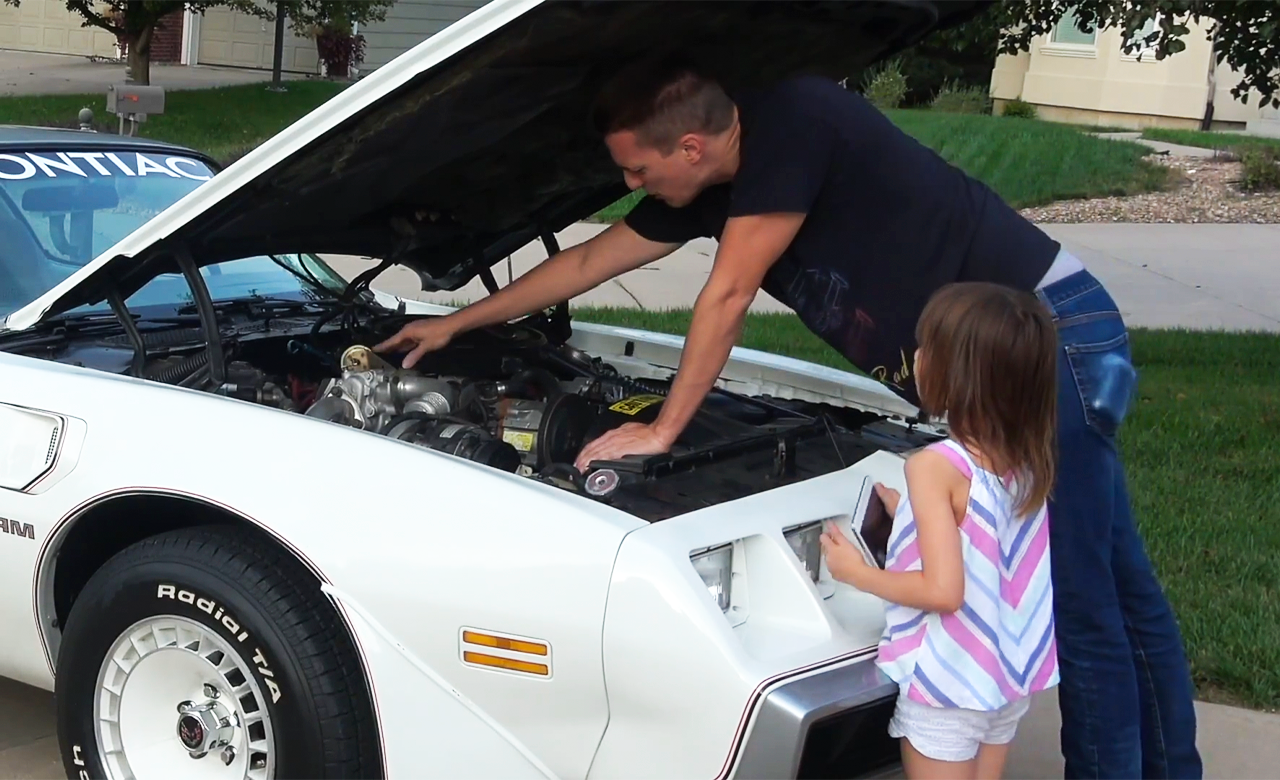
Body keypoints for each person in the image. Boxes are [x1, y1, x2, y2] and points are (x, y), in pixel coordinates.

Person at [374, 54, 1202, 778]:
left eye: (636, 170)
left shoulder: (795, 120)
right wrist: (456, 324)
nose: (630, 187)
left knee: (1089, 600)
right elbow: (594, 259)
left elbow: (728, 293)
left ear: (689, 147)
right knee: (1123, 594)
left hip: (1044, 337)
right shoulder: (716, 180)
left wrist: (663, 431)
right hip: (1017, 353)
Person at [819, 281, 1059, 780]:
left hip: (950, 686)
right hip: (1004, 682)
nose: (919, 355)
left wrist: (855, 572)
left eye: (929, 346)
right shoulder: (1029, 457)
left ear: (957, 375)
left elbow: (943, 591)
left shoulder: (935, 466)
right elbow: (982, 535)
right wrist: (910, 513)